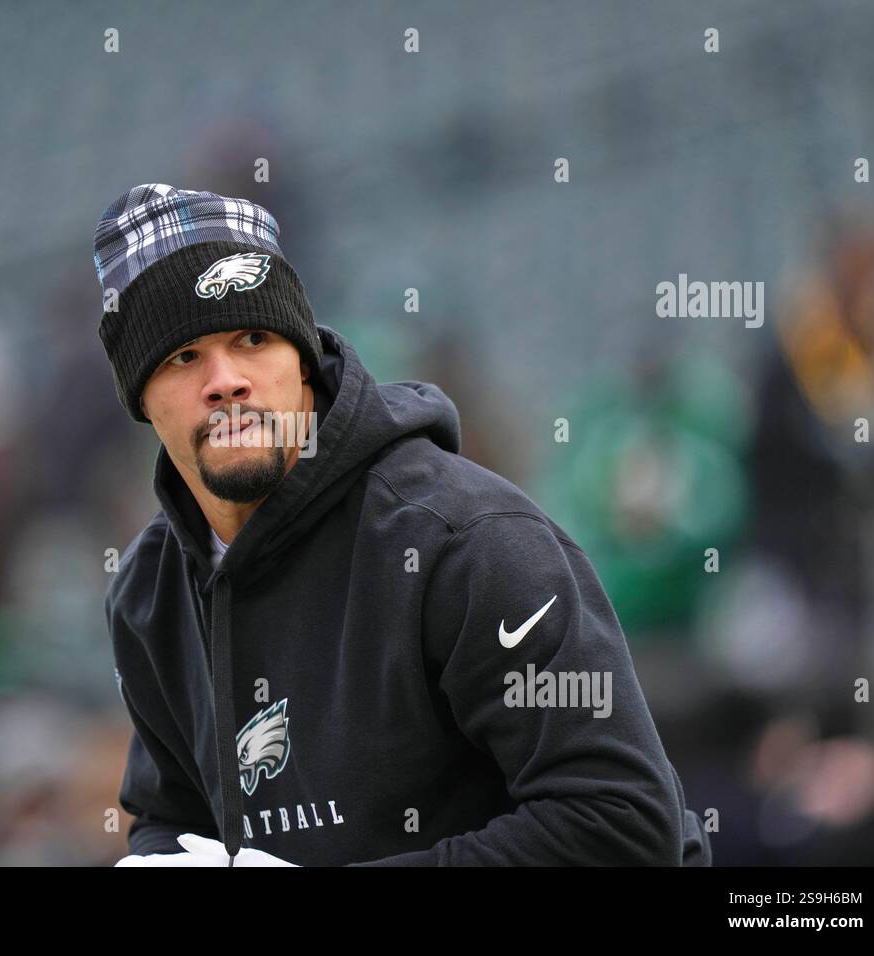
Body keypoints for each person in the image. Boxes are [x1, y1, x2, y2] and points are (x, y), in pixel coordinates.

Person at [93, 183, 712, 867]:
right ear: (140, 398)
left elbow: (623, 826)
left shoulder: (467, 542)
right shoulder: (148, 592)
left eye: (254, 338)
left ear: (301, 358)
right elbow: (169, 816)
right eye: (183, 356)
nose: (227, 380)